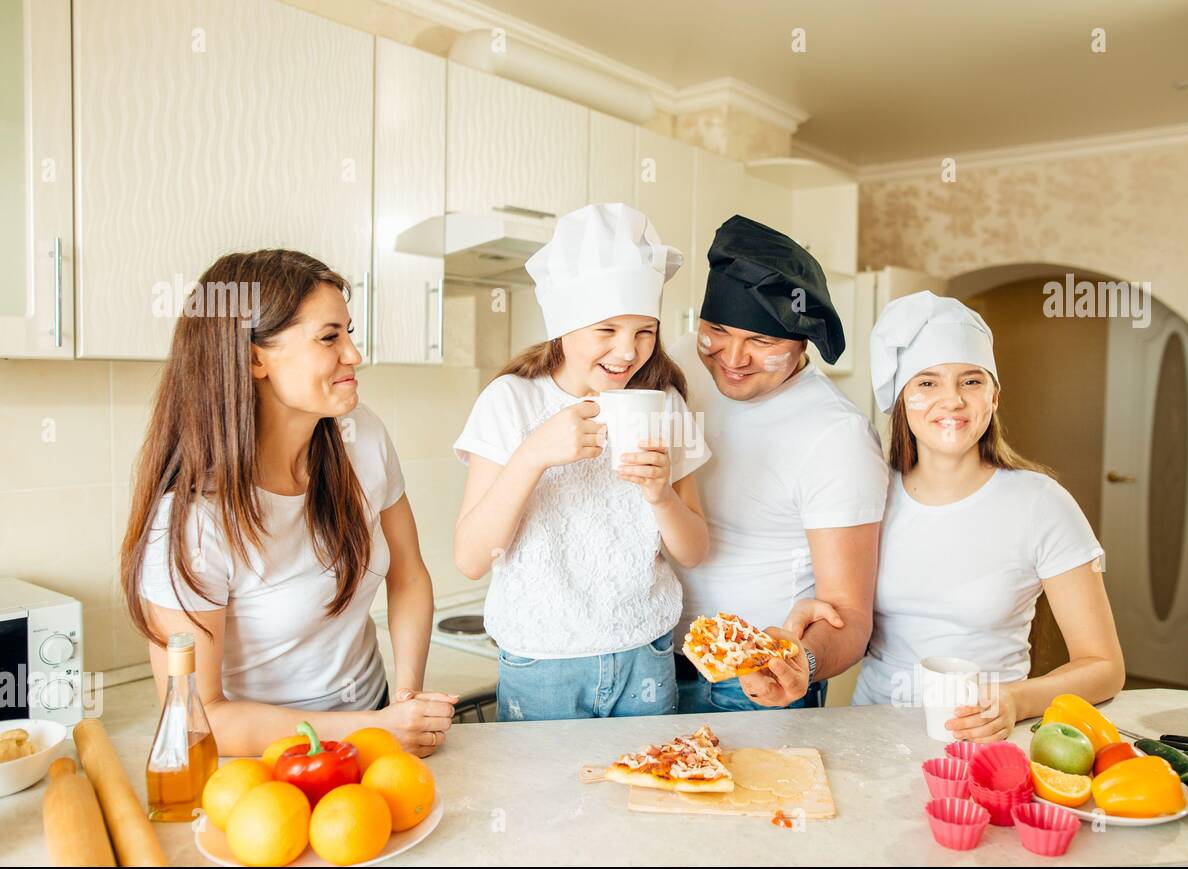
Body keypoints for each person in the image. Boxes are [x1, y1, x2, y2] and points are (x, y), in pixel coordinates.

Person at [121, 249, 458, 757]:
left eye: (348, 331)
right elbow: (198, 717)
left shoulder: (360, 436)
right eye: (329, 337)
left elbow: (408, 573)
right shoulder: (192, 520)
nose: (354, 354)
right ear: (255, 357)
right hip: (269, 761)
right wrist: (372, 729)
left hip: (374, 717)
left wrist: (403, 698)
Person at [453, 203, 710, 721]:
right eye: (606, 330)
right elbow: (472, 559)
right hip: (542, 661)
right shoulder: (511, 401)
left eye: (644, 332)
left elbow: (694, 551)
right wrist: (533, 456)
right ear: (564, 326)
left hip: (646, 653)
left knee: (644, 798)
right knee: (546, 803)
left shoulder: (664, 404)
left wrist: (660, 495)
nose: (628, 351)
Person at [854, 290, 1126, 740]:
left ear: (994, 396)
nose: (953, 400)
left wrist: (1017, 699)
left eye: (971, 381)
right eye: (927, 383)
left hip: (991, 737)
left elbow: (1104, 666)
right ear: (902, 399)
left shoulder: (1042, 504)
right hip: (872, 732)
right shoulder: (869, 497)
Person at [669, 215, 889, 713]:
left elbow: (850, 615)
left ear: (802, 341)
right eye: (717, 331)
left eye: (763, 343)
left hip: (750, 685)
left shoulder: (837, 437)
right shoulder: (677, 364)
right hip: (645, 661)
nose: (733, 358)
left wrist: (799, 664)